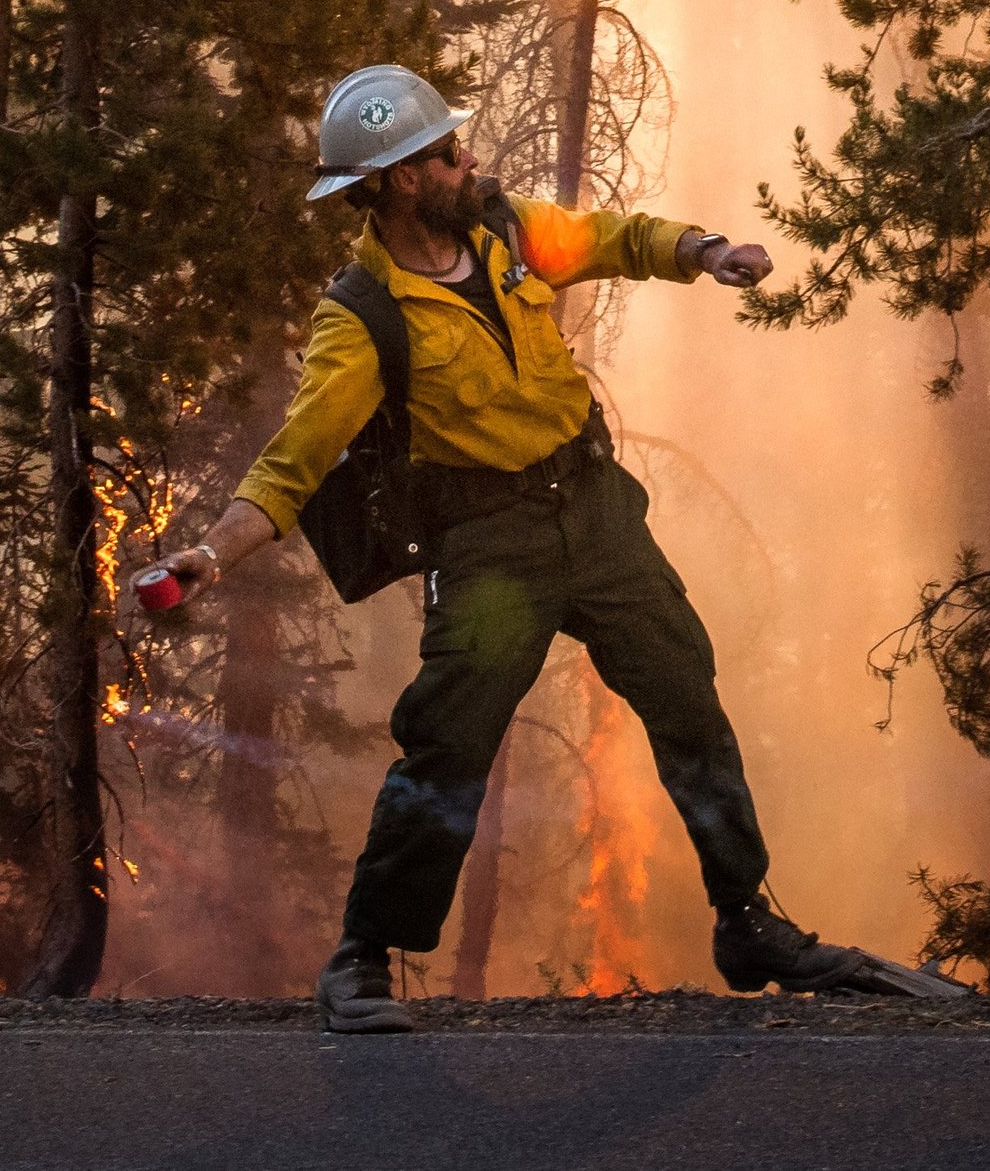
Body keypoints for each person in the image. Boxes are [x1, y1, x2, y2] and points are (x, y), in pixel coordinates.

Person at [132, 65, 865, 1031]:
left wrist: (703, 249)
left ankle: (746, 918)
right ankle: (361, 960)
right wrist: (210, 558)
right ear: (398, 179)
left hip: (594, 509)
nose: (467, 158)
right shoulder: (361, 318)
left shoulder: (509, 230)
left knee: (685, 691)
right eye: (445, 153)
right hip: (491, 552)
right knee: (449, 740)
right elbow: (294, 463)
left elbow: (609, 238)